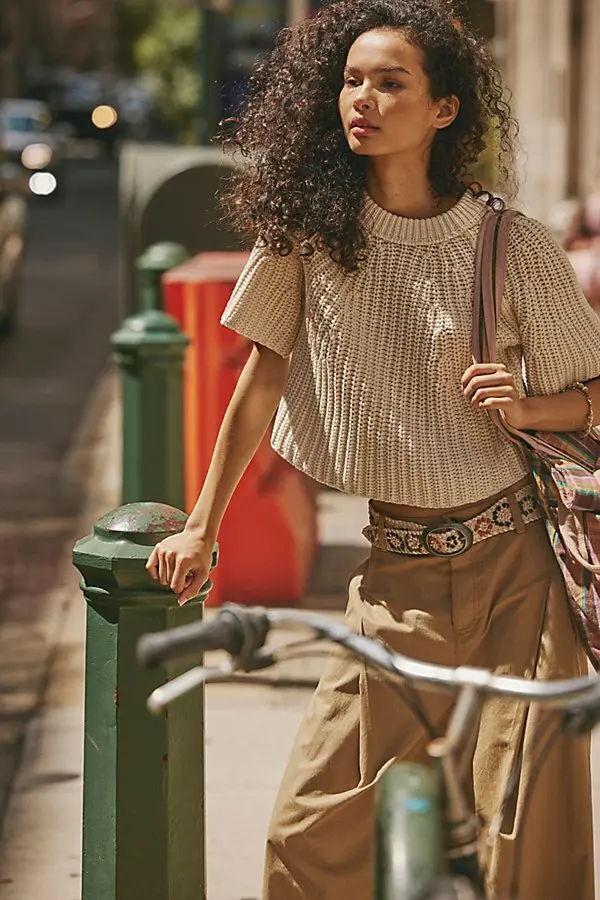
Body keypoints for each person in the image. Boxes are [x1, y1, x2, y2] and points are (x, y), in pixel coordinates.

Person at [147, 1, 600, 897]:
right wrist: (203, 527)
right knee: (306, 836)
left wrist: (531, 403)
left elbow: (593, 396)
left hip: (518, 575)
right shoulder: (309, 236)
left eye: (391, 82)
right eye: (352, 80)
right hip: (390, 574)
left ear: (444, 111)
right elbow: (259, 381)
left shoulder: (514, 246)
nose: (363, 98)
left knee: (523, 848)